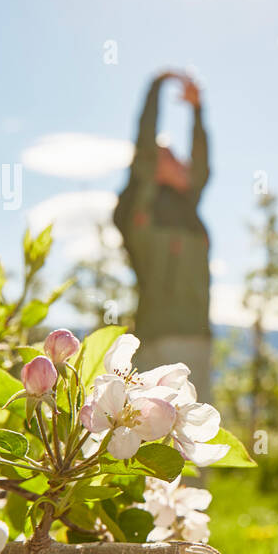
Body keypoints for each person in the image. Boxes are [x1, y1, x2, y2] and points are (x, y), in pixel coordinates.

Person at [114, 70, 214, 404]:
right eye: (170, 156)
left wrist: (198, 111)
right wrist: (157, 85)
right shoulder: (142, 209)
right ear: (153, 167)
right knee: (150, 438)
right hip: (157, 339)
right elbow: (144, 146)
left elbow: (201, 167)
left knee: (197, 444)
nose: (183, 161)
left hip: (198, 339)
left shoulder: (189, 209)